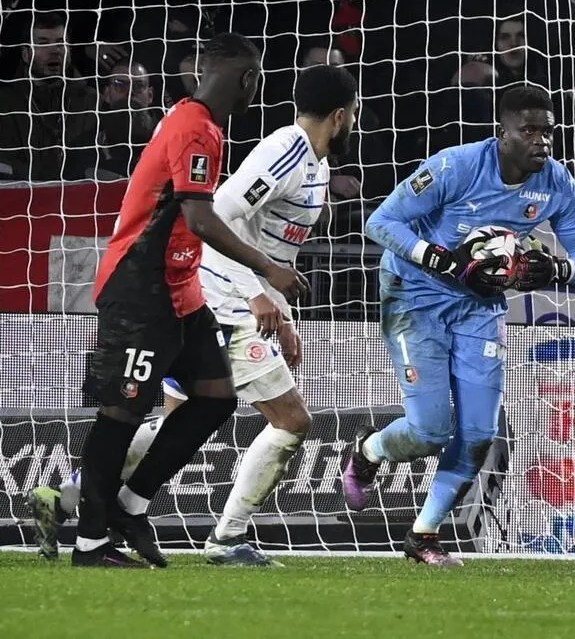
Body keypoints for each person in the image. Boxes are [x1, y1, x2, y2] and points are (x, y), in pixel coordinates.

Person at [27, 65, 357, 567]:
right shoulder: (283, 152)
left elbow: (267, 244)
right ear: (341, 115)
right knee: (291, 421)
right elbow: (217, 215)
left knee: (187, 415)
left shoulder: (317, 164)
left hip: (215, 298)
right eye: (354, 113)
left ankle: (68, 498)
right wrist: (256, 296)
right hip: (222, 299)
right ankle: (226, 539)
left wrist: (280, 310)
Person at [349, 85, 575, 566]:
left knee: (479, 433)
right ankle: (369, 451)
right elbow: (381, 222)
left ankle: (423, 535)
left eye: (548, 132)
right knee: (429, 431)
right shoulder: (456, 166)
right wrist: (441, 260)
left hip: (479, 308)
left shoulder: (555, 182)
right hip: (414, 298)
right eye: (529, 131)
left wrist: (557, 269)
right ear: (501, 132)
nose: (542, 142)